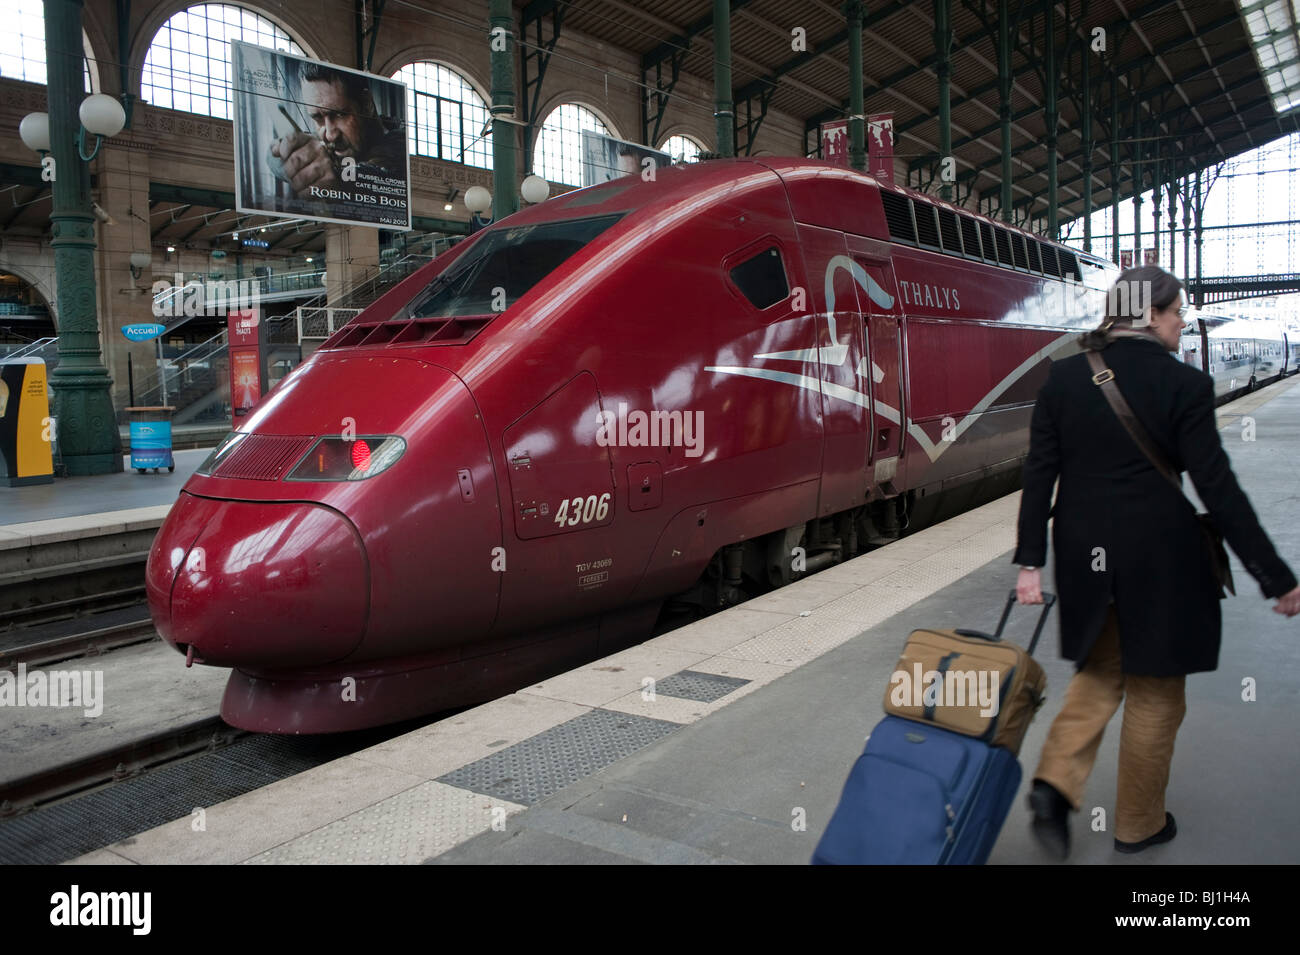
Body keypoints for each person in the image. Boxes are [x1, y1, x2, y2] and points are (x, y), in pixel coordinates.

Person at [1013, 265, 1300, 859]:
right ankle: (1138, 826)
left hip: (1084, 554)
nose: (1182, 322)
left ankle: (1053, 788)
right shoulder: (1184, 385)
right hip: (1161, 555)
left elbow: (1039, 474)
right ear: (1150, 314)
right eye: (1177, 312)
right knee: (1157, 690)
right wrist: (1275, 577)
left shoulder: (1064, 378)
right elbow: (1219, 491)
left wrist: (1029, 563)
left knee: (1099, 673)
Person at [270, 62, 405, 200]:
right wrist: (283, 153)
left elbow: (378, 171)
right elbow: (274, 157)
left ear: (366, 104)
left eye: (340, 115)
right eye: (318, 118)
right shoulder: (327, 141)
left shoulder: (401, 144)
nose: (330, 135)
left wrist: (332, 178)